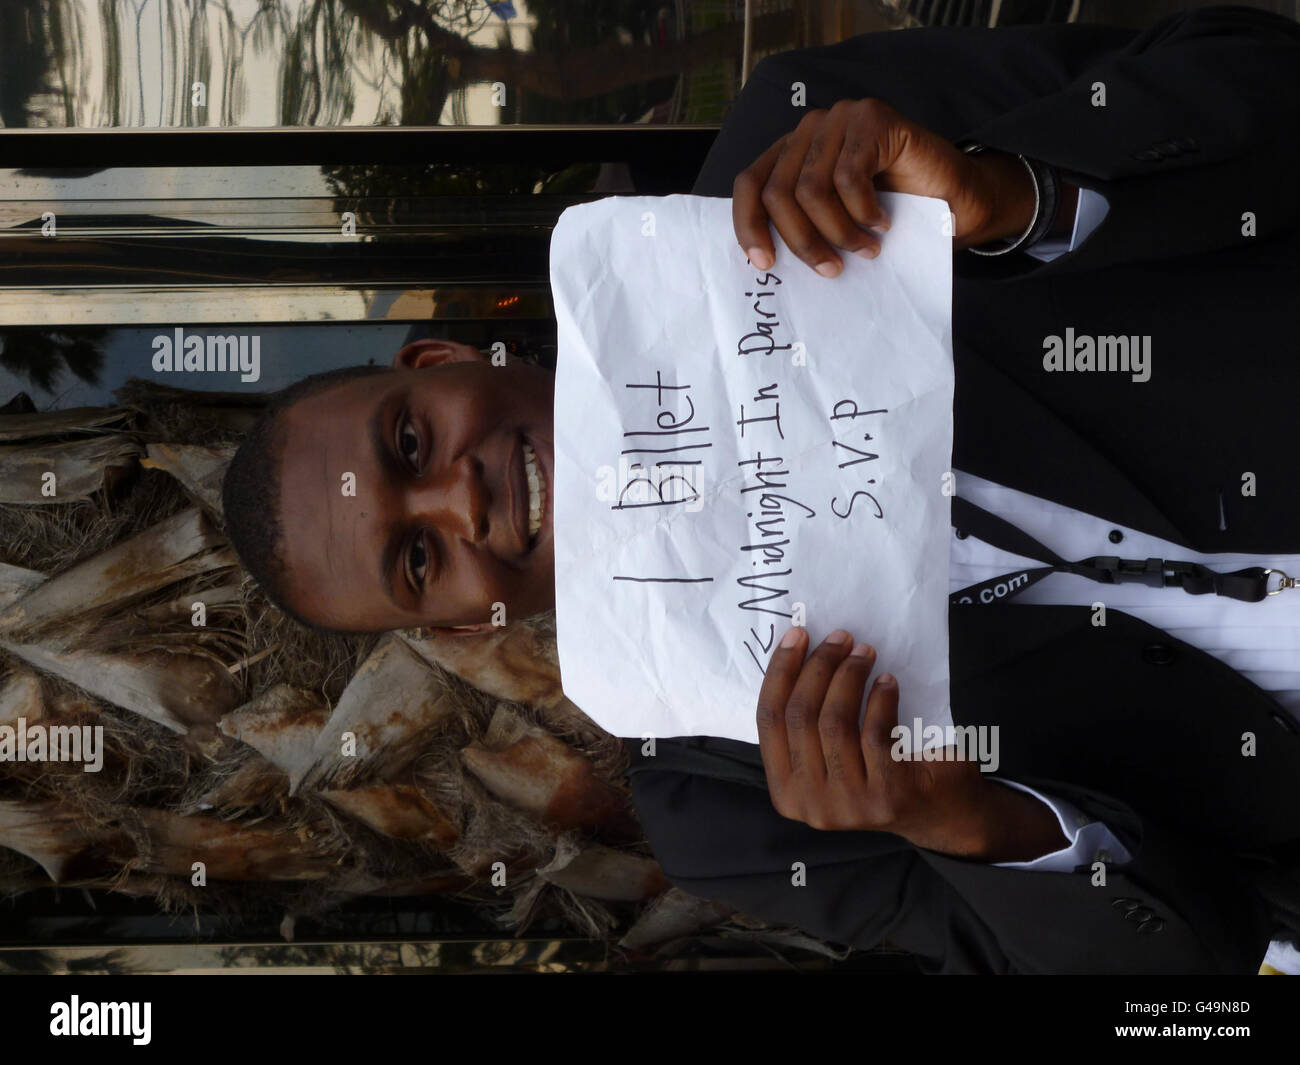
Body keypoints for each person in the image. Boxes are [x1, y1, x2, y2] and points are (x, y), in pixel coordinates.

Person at [221, 5, 1300, 972]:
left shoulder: (801, 143)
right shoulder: (726, 813)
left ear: (437, 363)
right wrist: (979, 827)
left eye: (412, 441)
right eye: (419, 559)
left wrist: (1013, 198)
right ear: (458, 626)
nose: (463, 504)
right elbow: (1201, 959)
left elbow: (1259, 68)